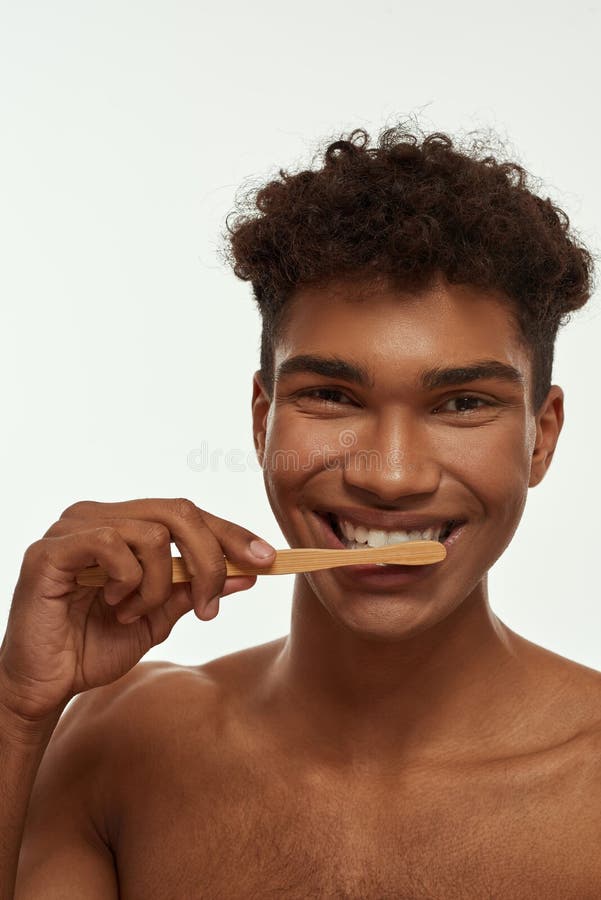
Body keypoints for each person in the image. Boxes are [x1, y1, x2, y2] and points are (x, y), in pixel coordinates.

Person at [2, 125, 600, 899]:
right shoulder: (116, 748)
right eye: (331, 396)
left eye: (460, 403)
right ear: (263, 420)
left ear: (539, 439)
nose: (390, 477)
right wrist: (17, 712)